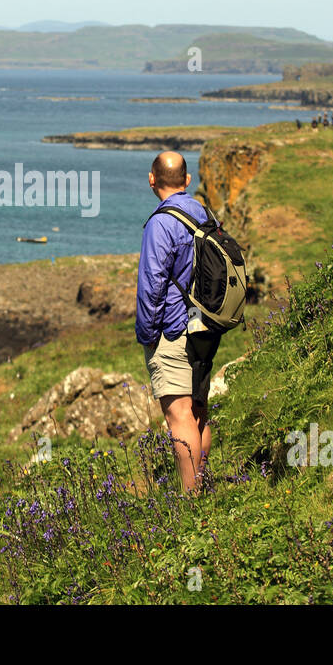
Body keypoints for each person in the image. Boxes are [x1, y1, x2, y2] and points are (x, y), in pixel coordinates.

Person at [136, 151, 223, 493]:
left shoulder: (161, 223)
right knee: (198, 410)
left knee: (180, 414)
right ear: (187, 181)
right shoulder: (204, 213)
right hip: (205, 327)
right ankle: (202, 489)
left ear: (151, 179)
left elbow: (152, 285)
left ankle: (192, 499)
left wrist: (148, 335)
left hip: (173, 330)